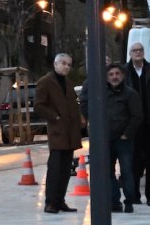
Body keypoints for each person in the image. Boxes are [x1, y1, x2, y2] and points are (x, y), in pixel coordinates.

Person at [81, 62, 142, 212]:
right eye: (111, 74)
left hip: (124, 140)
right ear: (106, 77)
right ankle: (114, 201)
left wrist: (126, 134)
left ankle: (129, 201)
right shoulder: (101, 95)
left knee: (126, 171)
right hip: (106, 140)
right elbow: (91, 109)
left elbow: (137, 116)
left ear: (123, 76)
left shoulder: (130, 94)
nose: (114, 77)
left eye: (117, 74)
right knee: (108, 172)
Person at [34, 52, 83, 214]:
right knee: (55, 168)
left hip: (70, 133)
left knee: (65, 169)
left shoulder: (68, 83)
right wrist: (55, 117)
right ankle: (51, 202)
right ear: (55, 64)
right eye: (63, 63)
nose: (66, 67)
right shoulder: (46, 82)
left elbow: (73, 104)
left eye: (69, 64)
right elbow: (39, 105)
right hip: (57, 132)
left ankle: (60, 200)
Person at [124, 41, 150, 204]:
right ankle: (134, 195)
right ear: (130, 53)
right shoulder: (124, 71)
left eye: (140, 50)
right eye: (135, 50)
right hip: (132, 124)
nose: (138, 52)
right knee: (133, 161)